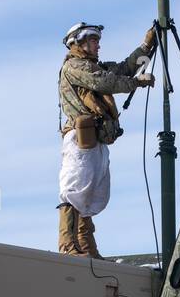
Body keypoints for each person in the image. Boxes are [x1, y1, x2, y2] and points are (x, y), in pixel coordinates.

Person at [57, 22, 157, 257]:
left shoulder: (93, 66)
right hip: (80, 139)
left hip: (94, 138)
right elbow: (105, 82)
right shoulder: (74, 66)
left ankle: (85, 244)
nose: (98, 44)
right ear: (78, 43)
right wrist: (136, 83)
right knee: (75, 189)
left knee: (91, 192)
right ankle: (69, 246)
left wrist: (146, 46)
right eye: (93, 40)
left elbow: (122, 70)